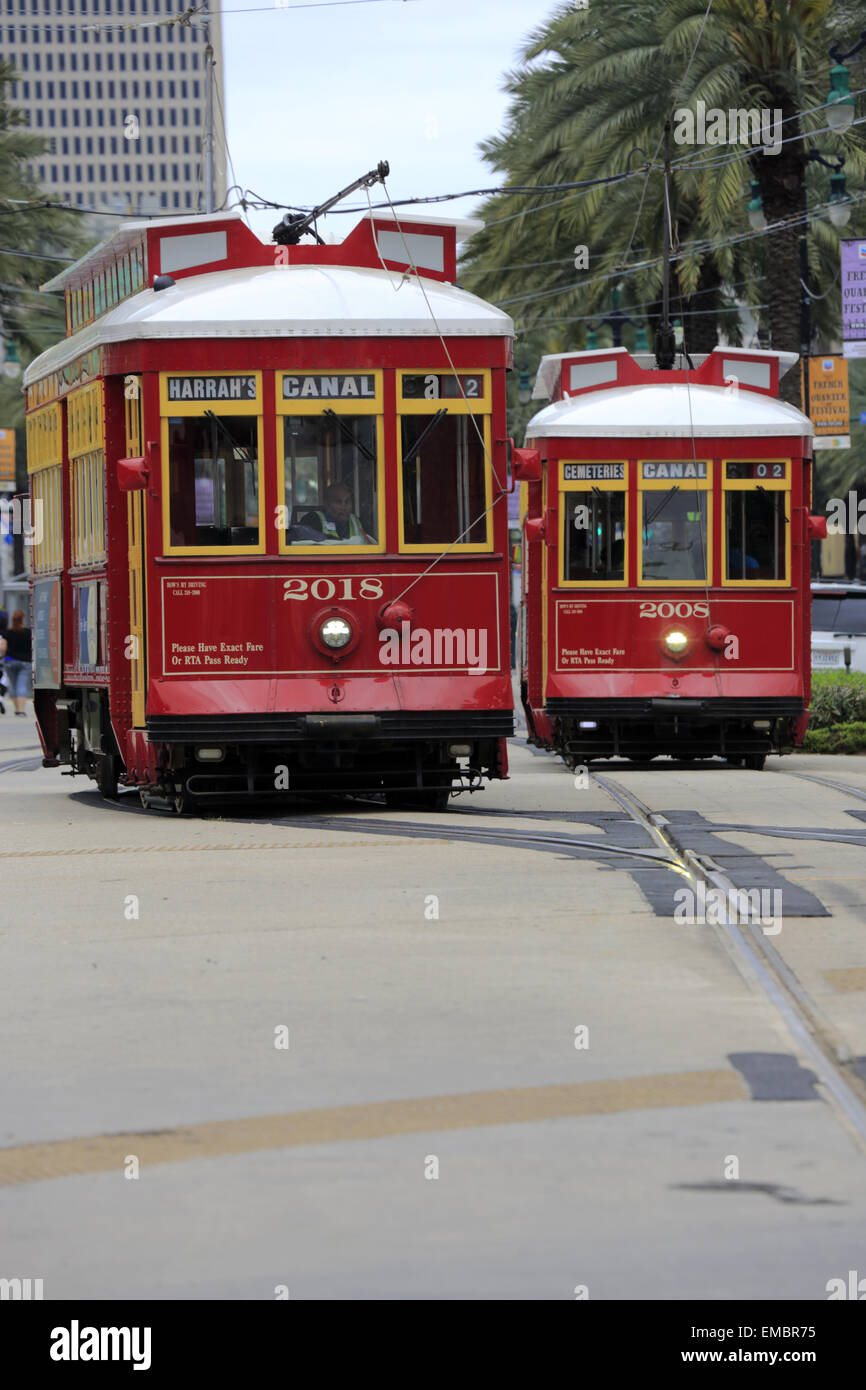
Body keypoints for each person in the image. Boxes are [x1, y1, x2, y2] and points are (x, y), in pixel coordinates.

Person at [301, 483, 371, 543]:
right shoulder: (312, 521)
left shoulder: (358, 522)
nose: (344, 507)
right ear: (326, 503)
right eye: (338, 502)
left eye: (347, 501)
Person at [0, 610, 32, 716]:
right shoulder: (28, 632)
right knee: (22, 685)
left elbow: (2, 648)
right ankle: (21, 710)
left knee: (13, 685)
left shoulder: (7, 632)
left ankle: (16, 708)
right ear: (23, 620)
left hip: (10, 661)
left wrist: (3, 657)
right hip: (25, 662)